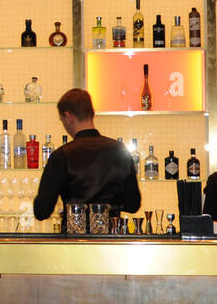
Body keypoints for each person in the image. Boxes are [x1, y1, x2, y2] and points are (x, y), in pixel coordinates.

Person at [33, 88, 140, 223]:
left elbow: (42, 210)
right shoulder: (119, 150)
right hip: (112, 238)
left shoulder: (62, 155)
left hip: (75, 239)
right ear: (92, 113)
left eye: (62, 120)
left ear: (68, 117)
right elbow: (133, 205)